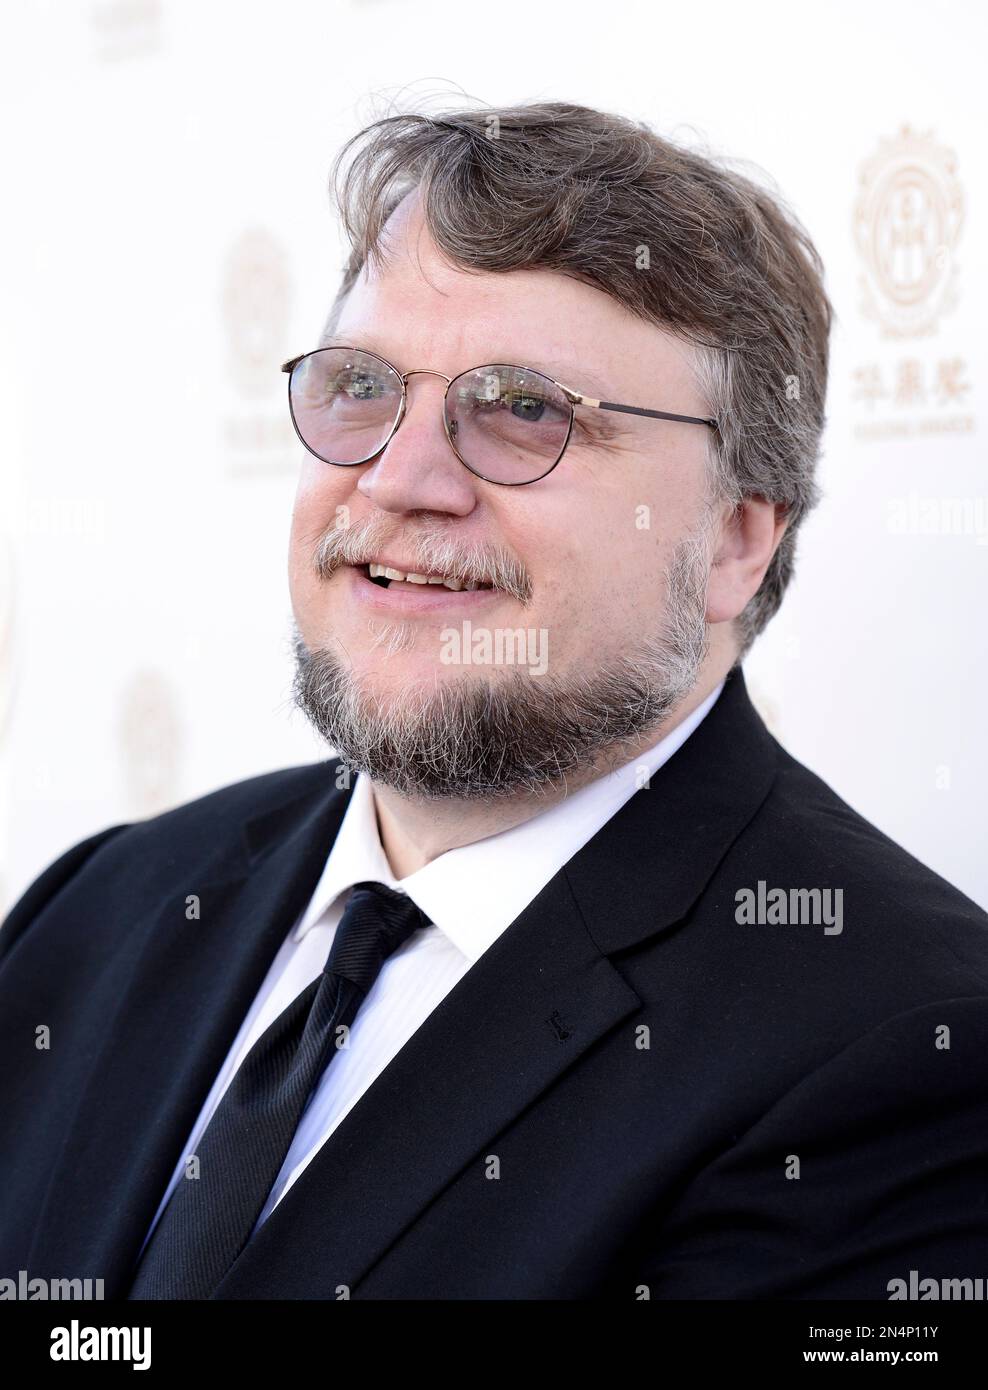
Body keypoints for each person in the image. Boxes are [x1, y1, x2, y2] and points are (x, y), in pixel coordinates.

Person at [2, 101, 986, 1302]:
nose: (403, 479)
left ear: (735, 539)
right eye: (362, 388)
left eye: (524, 410)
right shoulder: (98, 911)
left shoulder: (907, 1052)